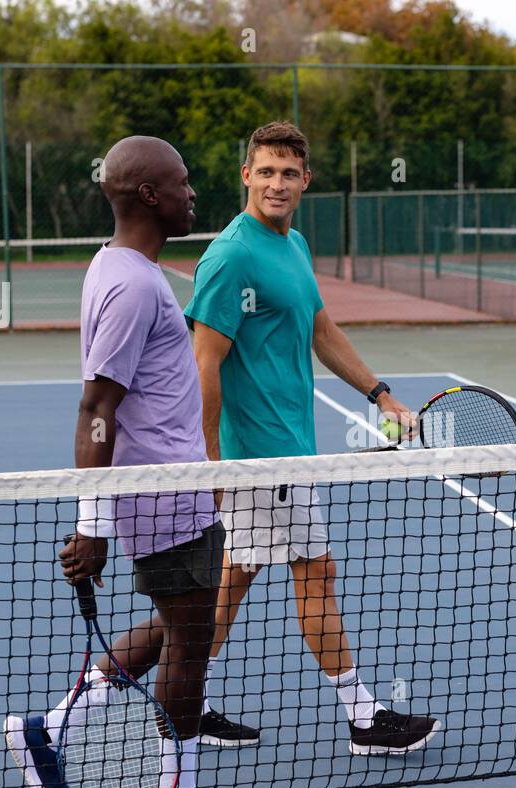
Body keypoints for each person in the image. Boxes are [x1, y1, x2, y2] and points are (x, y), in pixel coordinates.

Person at [4, 135, 258, 788]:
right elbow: (95, 407)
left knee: (184, 625)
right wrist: (92, 522)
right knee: (191, 639)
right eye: (180, 182)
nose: (192, 192)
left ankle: (53, 727)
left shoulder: (123, 269)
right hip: (161, 499)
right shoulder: (134, 283)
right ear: (149, 195)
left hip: (180, 490)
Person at [188, 121, 440, 754]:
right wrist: (213, 465)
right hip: (258, 457)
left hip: (288, 450)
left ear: (306, 181)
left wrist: (381, 395)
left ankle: (184, 700)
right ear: (245, 174)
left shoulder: (293, 245)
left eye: (289, 173)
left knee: (233, 577)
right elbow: (204, 365)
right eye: (265, 171)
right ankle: (362, 717)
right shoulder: (230, 256)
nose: (277, 183)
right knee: (316, 572)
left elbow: (320, 330)